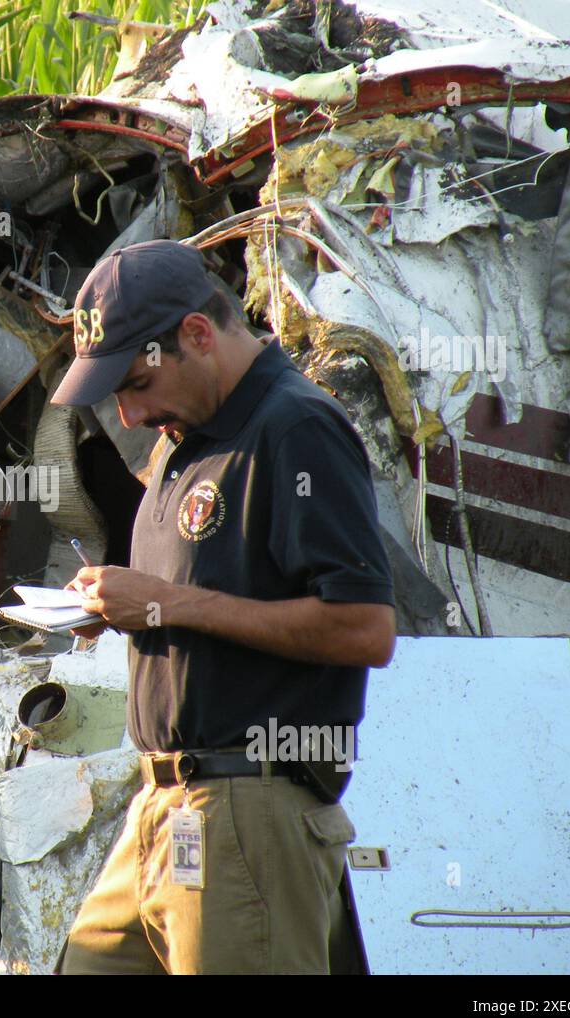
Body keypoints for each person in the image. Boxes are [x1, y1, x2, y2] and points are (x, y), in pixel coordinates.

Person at [51, 240, 396, 974]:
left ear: (198, 336)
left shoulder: (295, 427)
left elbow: (366, 628)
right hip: (160, 805)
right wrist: (119, 608)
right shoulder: (185, 442)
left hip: (249, 808)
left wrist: (170, 604)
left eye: (137, 382)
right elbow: (193, 604)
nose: (130, 412)